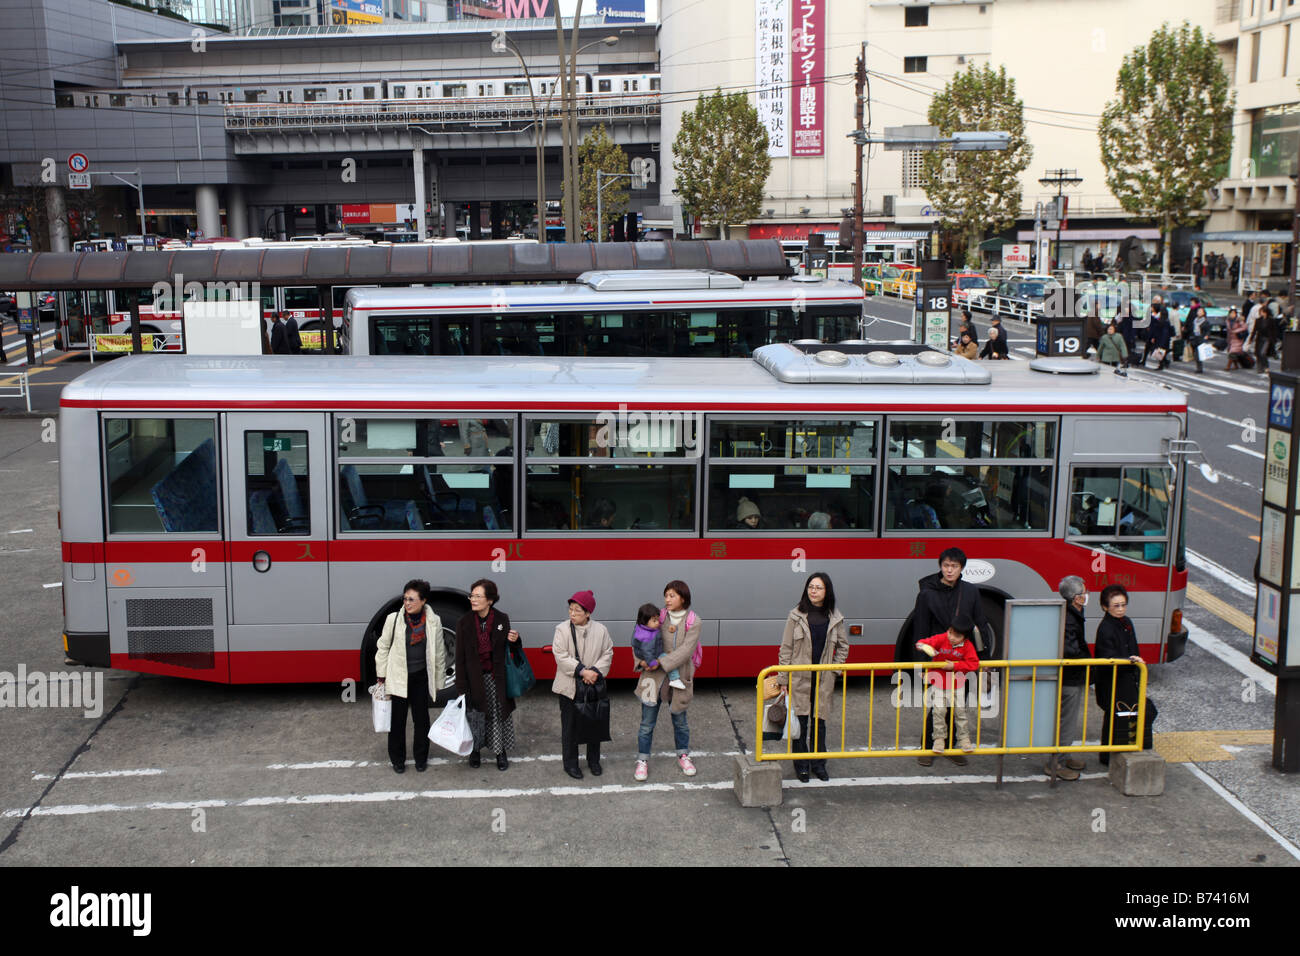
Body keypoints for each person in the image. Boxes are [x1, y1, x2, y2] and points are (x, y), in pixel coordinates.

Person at [775, 572, 849, 782]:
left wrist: (835, 669)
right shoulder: (796, 615)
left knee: (820, 722)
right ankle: (802, 765)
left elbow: (844, 646)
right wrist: (783, 679)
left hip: (823, 678)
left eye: (818, 587)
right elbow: (786, 649)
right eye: (811, 587)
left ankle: (818, 764)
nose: (813, 591)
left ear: (827, 592)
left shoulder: (835, 617)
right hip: (799, 678)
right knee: (801, 722)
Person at [374, 579, 445, 774]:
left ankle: (421, 758)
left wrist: (438, 681)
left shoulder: (433, 621)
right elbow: (383, 647)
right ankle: (398, 759)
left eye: (412, 599)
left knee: (421, 720)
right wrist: (381, 676)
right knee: (397, 720)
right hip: (398, 677)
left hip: (421, 677)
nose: (407, 603)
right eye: (405, 599)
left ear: (423, 601)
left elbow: (439, 652)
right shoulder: (393, 619)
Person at [633, 580, 700, 782]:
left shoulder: (694, 621)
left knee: (680, 720)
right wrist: (642, 662)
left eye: (672, 595)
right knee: (646, 722)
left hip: (679, 676)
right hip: (652, 677)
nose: (667, 600)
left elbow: (686, 650)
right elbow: (639, 637)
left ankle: (683, 755)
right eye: (666, 595)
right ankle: (642, 760)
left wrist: (659, 662)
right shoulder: (658, 616)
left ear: (683, 598)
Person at [454, 578, 520, 770]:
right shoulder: (464, 622)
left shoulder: (502, 619)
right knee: (475, 716)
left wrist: (515, 640)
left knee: (498, 716)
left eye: (478, 596)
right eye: (472, 595)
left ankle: (500, 753)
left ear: (490, 600)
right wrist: (461, 686)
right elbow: (460, 658)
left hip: (496, 679)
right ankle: (475, 751)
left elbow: (510, 650)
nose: (473, 599)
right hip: (475, 679)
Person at [552, 589, 613, 779]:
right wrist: (582, 670)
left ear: (588, 613)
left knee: (594, 723)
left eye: (577, 610)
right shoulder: (562, 629)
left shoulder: (601, 630)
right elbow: (560, 655)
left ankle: (593, 761)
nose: (572, 614)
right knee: (570, 727)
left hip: (593, 684)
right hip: (569, 686)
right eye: (570, 609)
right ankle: (570, 764)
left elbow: (608, 653)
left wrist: (594, 672)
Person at [916, 614, 979, 761]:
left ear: (965, 637)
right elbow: (925, 642)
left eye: (956, 636)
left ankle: (964, 739)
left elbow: (973, 663)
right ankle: (938, 739)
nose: (951, 637)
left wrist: (955, 666)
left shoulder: (968, 647)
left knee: (960, 713)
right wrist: (922, 646)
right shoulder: (942, 638)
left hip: (957, 684)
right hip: (938, 683)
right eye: (950, 632)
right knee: (938, 712)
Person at [1048, 576, 1092, 781]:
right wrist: (1088, 659)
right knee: (1067, 720)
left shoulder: (1072, 613)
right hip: (1070, 677)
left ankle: (1064, 756)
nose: (1086, 595)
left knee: (1067, 719)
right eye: (1084, 593)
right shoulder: (1070, 618)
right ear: (1076, 598)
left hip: (1070, 676)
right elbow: (1071, 649)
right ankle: (1055, 762)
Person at [1093, 584, 1142, 765]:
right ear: (1106, 607)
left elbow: (1134, 646)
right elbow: (1107, 657)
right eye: (1116, 606)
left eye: (1123, 605)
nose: (1121, 609)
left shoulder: (1126, 622)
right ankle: (1108, 754)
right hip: (1112, 681)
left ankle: (1112, 752)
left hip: (1125, 679)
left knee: (1118, 716)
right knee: (1114, 715)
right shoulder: (1106, 628)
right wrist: (1130, 661)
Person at [631, 603, 685, 690]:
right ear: (644, 621)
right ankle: (674, 679)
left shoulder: (643, 628)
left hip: (646, 653)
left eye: (658, 620)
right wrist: (652, 662)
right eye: (654, 621)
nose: (658, 623)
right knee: (666, 658)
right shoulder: (647, 635)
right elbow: (647, 651)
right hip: (649, 656)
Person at [1142, 305, 1172, 370]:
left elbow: (1164, 332)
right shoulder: (1160, 320)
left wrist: (1160, 340)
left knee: (1159, 351)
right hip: (1158, 338)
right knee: (1157, 351)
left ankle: (1162, 364)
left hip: (1161, 339)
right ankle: (1163, 363)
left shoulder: (1164, 322)